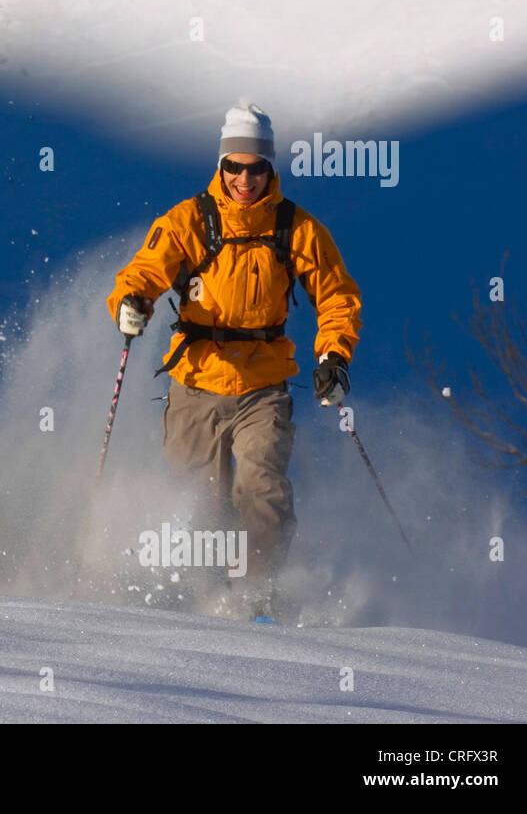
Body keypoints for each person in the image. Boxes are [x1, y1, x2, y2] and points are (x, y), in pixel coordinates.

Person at [107, 103, 362, 618]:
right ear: (220, 167)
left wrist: (334, 355)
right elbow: (141, 274)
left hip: (263, 387)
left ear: (271, 169)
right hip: (196, 382)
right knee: (194, 499)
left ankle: (253, 594)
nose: (245, 178)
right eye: (234, 167)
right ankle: (199, 596)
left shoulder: (298, 229)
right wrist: (130, 304)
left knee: (261, 488)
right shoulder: (189, 220)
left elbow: (336, 296)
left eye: (256, 168)